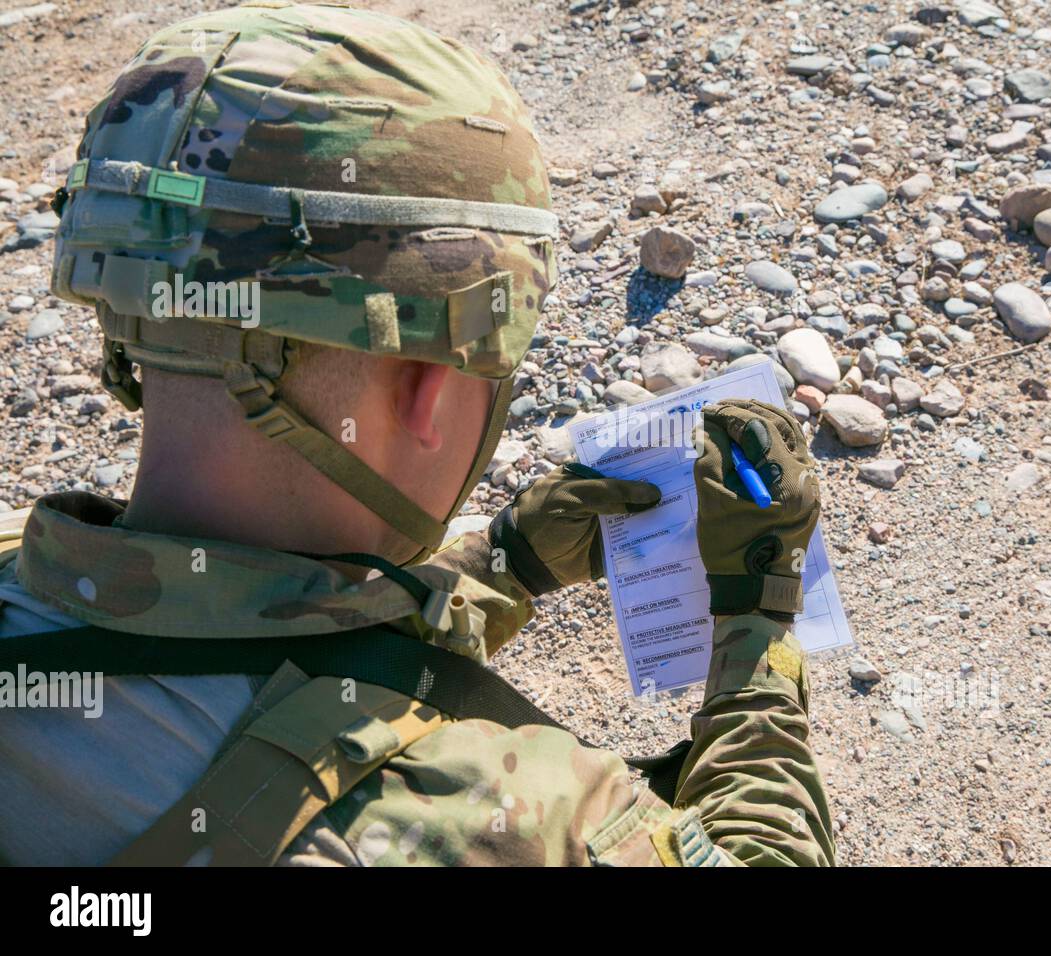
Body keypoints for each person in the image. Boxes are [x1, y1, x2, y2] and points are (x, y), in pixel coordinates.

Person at [0, 2, 834, 867]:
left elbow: (248, 635)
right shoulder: (516, 824)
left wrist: (498, 568)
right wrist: (756, 620)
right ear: (430, 389)